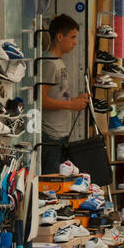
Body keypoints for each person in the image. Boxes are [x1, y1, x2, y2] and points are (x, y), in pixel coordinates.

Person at [40, 14, 90, 175]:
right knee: (51, 183)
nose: (75, 42)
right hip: (50, 135)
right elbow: (41, 100)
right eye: (72, 37)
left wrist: (76, 101)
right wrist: (71, 105)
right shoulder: (49, 64)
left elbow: (56, 96)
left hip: (60, 135)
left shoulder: (58, 62)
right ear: (60, 37)